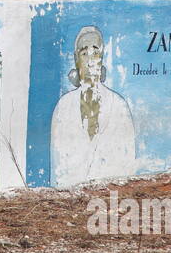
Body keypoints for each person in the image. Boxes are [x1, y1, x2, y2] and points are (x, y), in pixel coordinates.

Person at [50, 25, 136, 186]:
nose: (90, 60)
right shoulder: (64, 107)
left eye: (95, 52)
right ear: (76, 60)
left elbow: (127, 166)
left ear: (102, 58)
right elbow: (57, 172)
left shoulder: (118, 106)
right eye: (84, 53)